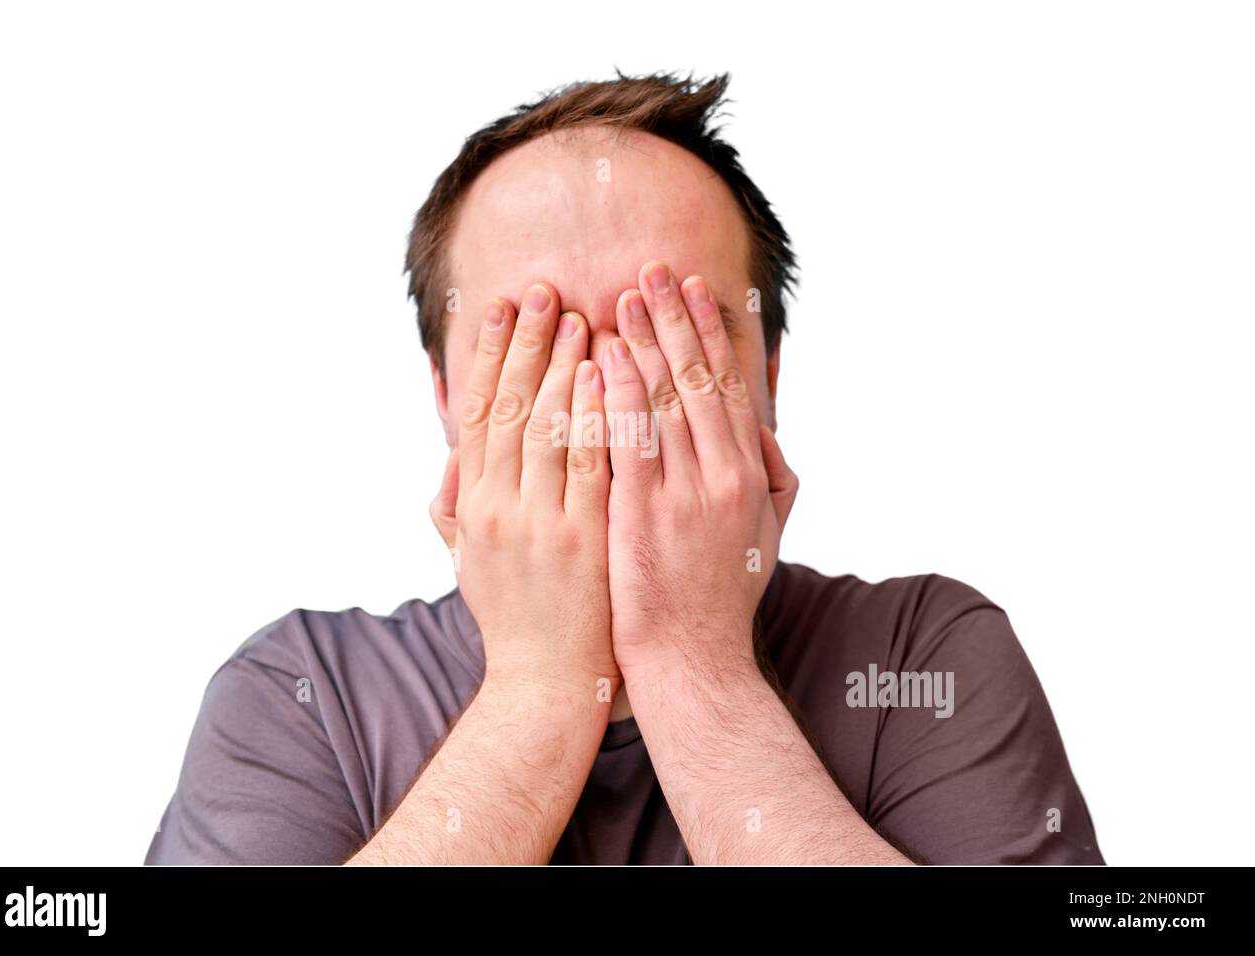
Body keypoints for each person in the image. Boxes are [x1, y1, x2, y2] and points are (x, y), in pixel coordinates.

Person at [146, 72, 1103, 865]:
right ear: (445, 393)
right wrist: (541, 689)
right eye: (539, 341)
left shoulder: (921, 656)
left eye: (672, 335)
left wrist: (698, 672)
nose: (609, 397)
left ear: (766, 378)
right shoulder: (298, 692)